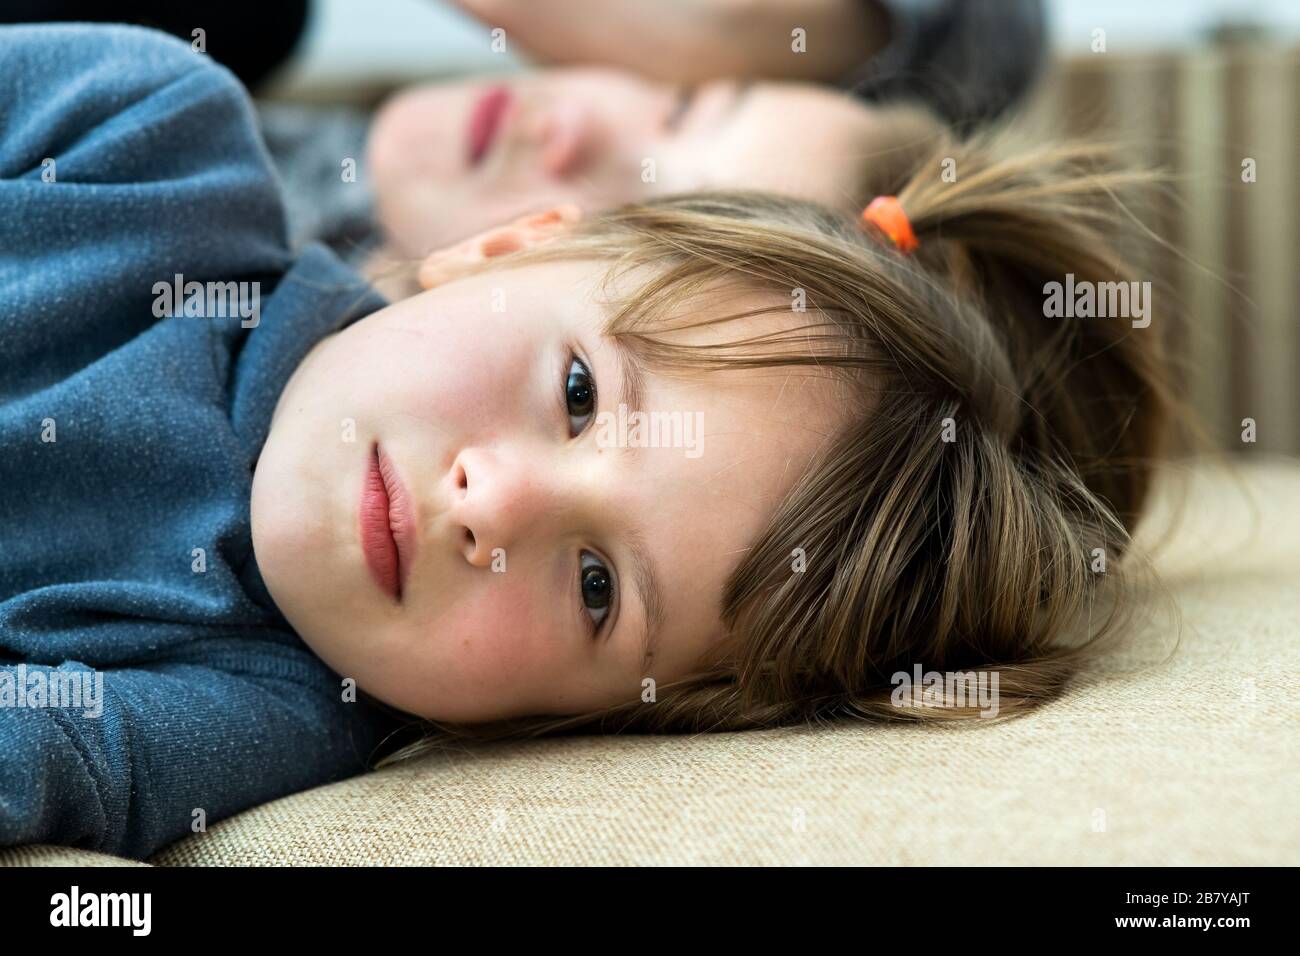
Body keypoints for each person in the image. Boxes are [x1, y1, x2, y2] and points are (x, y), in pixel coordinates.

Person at [1, 22, 1172, 860]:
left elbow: (42, 758)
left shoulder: (265, 712)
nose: (494, 504)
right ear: (505, 245)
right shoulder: (139, 132)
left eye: (600, 586)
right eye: (574, 389)